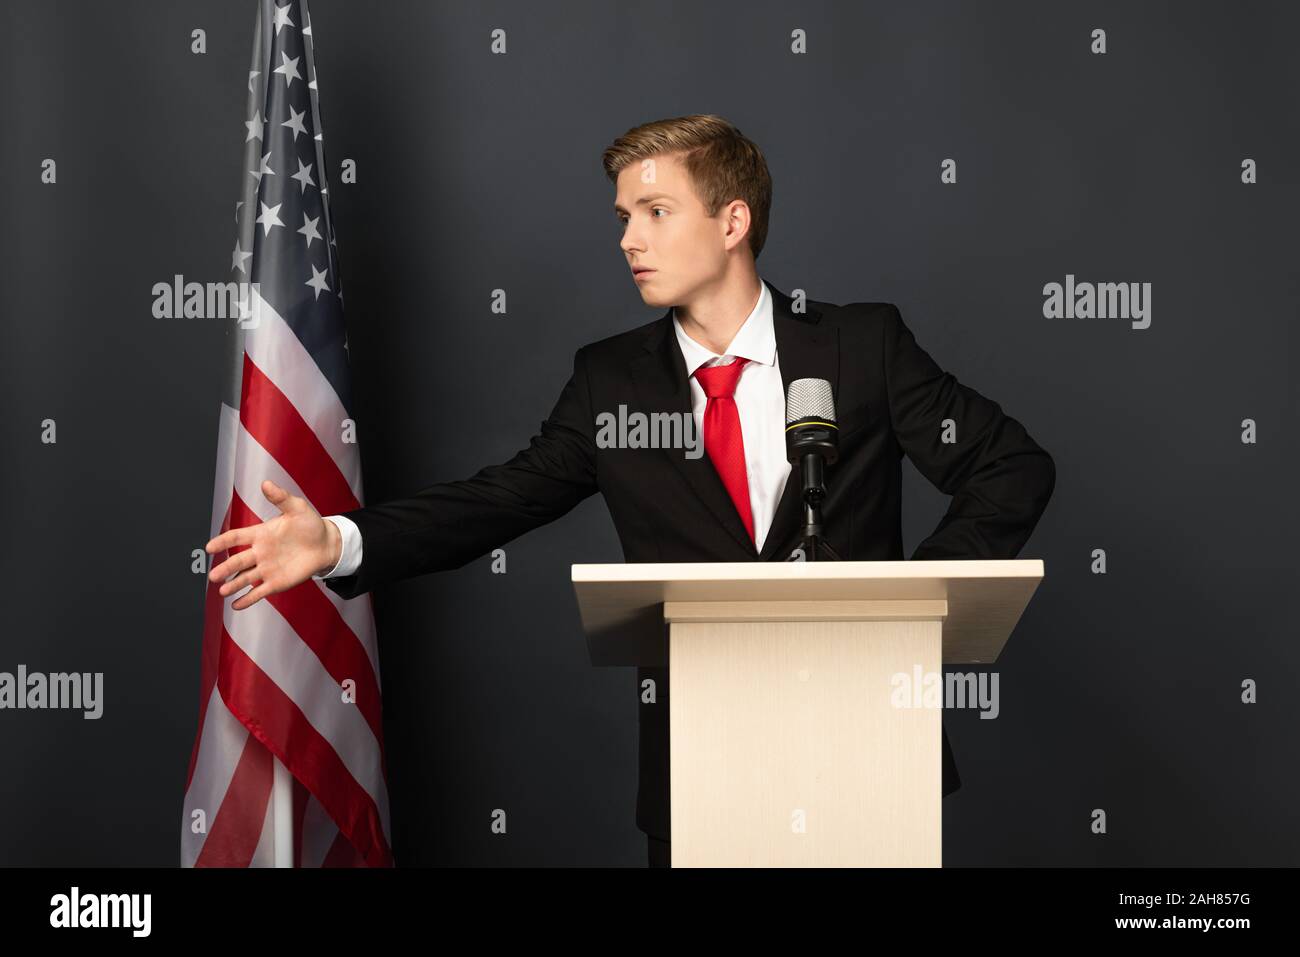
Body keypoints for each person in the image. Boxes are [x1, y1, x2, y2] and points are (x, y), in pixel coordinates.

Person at [206, 113, 1056, 868]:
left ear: (733, 221)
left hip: (870, 752)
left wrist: (908, 599)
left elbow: (1011, 467)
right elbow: (504, 497)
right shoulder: (611, 382)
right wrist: (341, 541)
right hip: (701, 775)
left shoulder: (863, 344)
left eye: (655, 213)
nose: (628, 240)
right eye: (623, 218)